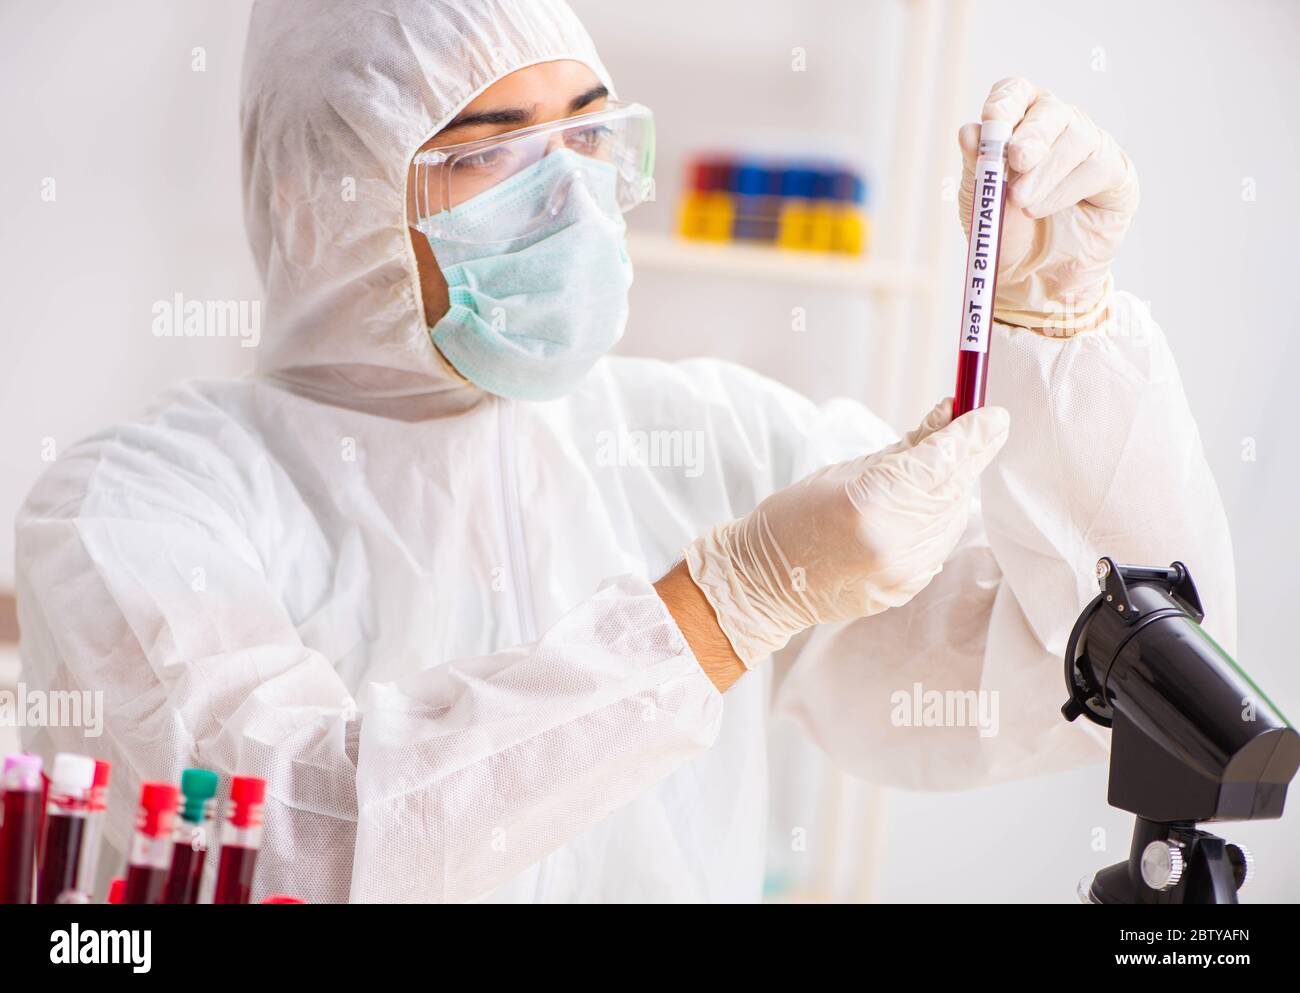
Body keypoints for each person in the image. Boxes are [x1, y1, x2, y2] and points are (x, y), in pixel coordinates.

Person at [15, 0, 1234, 903]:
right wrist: (723, 605)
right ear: (315, 201)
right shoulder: (132, 509)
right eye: (493, 150)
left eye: (590, 136)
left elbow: (1103, 700)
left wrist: (1058, 332)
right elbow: (300, 849)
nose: (572, 200)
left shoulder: (711, 439)